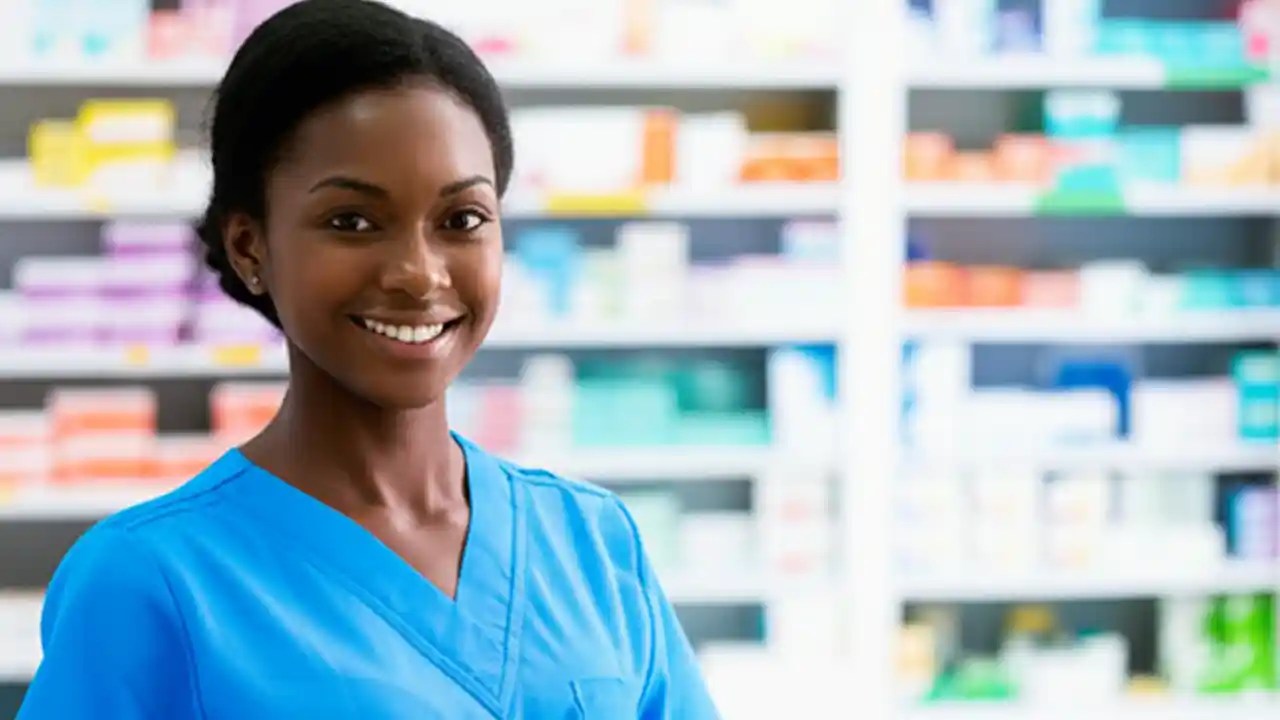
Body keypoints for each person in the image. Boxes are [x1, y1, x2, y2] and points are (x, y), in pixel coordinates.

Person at [17, 1, 719, 717]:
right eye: (351, 221)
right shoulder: (152, 581)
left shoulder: (592, 544)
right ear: (249, 246)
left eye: (462, 221)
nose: (419, 272)